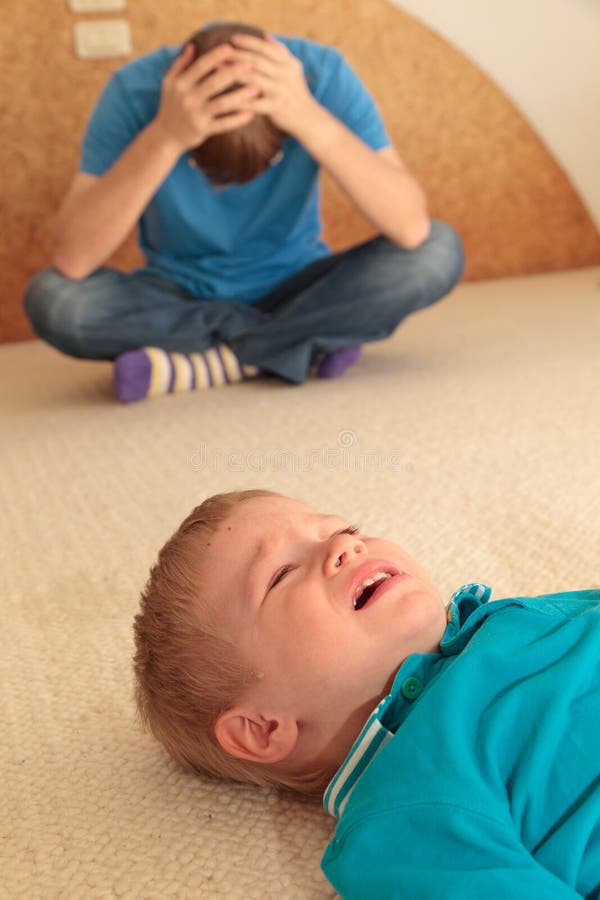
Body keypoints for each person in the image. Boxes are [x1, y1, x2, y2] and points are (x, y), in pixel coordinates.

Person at [133, 489, 600, 898]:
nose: (343, 545)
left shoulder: (499, 621)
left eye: (341, 528)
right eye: (281, 573)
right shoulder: (408, 803)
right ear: (262, 727)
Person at [24, 21, 464, 403]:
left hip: (297, 285)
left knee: (436, 252)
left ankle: (214, 362)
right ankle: (301, 342)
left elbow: (410, 226)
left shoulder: (321, 76)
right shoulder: (132, 93)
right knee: (56, 300)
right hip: (178, 294)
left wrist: (308, 118)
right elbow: (73, 258)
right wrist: (167, 137)